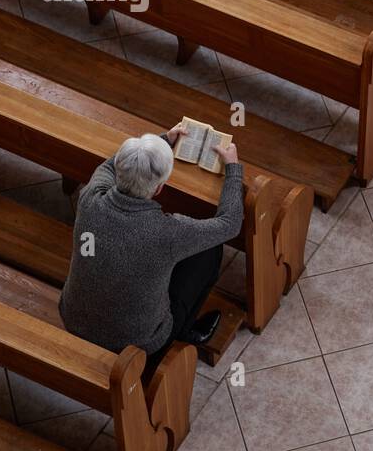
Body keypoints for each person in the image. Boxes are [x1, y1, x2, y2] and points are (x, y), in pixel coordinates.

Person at [59, 124, 242, 363]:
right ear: (159, 188)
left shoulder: (89, 198)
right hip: (139, 342)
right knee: (210, 249)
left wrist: (164, 139)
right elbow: (230, 224)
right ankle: (183, 331)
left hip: (73, 319)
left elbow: (107, 165)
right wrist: (234, 169)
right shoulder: (168, 231)